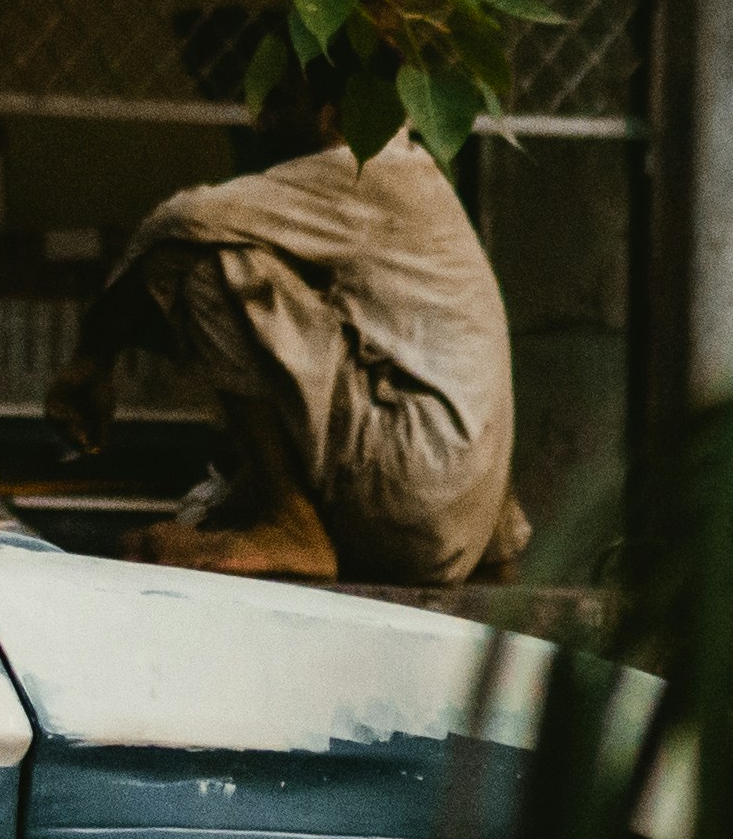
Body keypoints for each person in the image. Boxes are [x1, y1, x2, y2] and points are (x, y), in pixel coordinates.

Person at [41, 98, 526, 585]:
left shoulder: (360, 169)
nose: (263, 120)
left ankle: (289, 523)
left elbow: (180, 222)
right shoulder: (419, 180)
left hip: (407, 490)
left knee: (214, 267)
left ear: (330, 112)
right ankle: (286, 517)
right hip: (456, 536)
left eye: (280, 102)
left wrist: (92, 360)